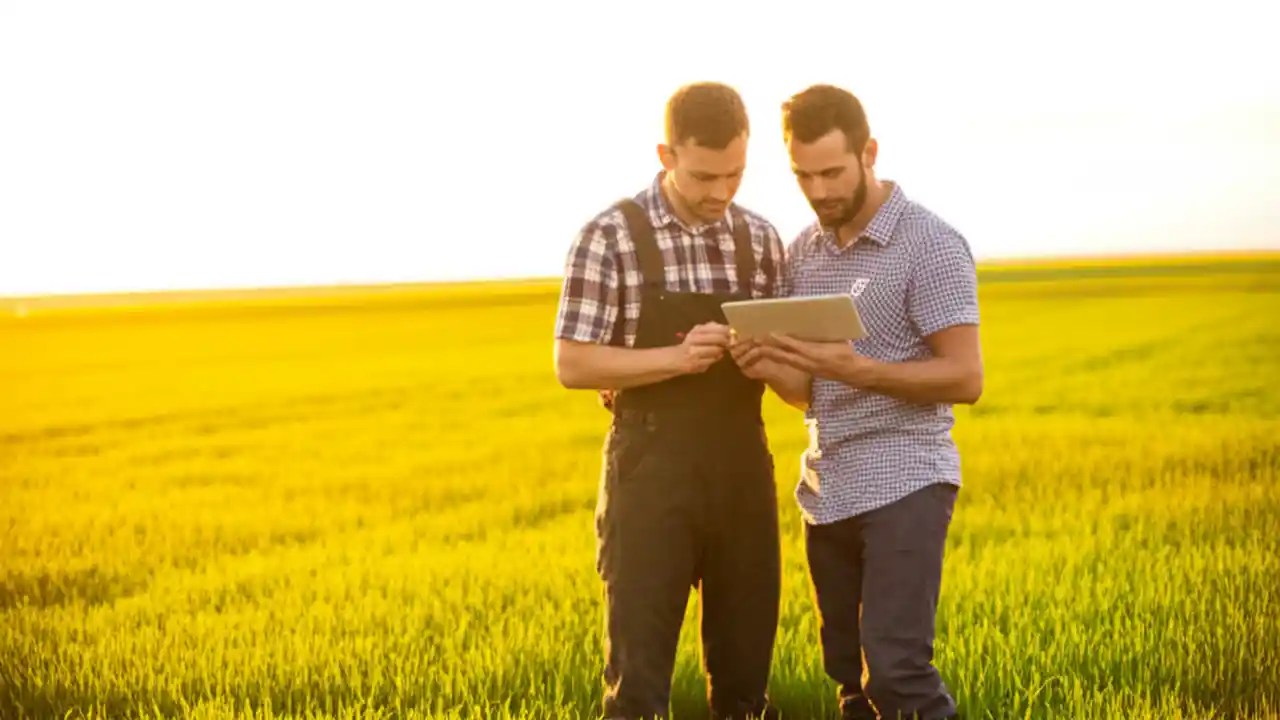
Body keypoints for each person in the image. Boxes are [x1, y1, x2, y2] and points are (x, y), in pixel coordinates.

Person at [730, 83, 983, 720]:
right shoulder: (804, 253)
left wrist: (859, 368)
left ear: (869, 152)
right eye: (802, 175)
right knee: (851, 681)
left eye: (832, 172)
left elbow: (964, 377)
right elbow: (812, 393)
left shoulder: (931, 243)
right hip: (828, 488)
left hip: (906, 480)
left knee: (897, 673)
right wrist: (765, 366)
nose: (818, 191)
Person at [552, 81, 787, 720]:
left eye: (735, 174)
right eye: (704, 176)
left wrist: (772, 357)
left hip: (742, 463)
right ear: (666, 155)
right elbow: (572, 362)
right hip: (649, 468)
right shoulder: (610, 237)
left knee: (745, 678)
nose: (720, 193)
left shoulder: (762, 240)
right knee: (639, 682)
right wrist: (676, 359)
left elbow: (795, 365)